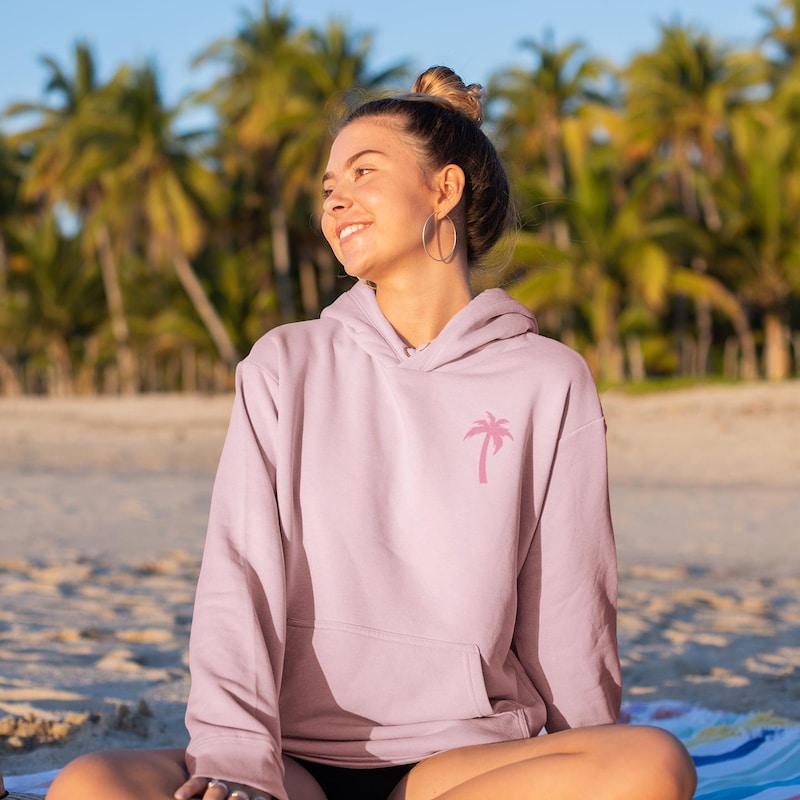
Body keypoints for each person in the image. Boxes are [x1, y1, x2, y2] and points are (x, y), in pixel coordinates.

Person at [47, 66, 696, 800]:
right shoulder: (284, 364)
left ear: (444, 190)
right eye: (328, 186)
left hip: (460, 764)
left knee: (651, 764)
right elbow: (240, 577)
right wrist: (236, 764)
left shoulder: (547, 379)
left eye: (363, 172)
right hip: (291, 765)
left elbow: (571, 604)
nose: (335, 201)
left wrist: (579, 757)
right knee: (89, 785)